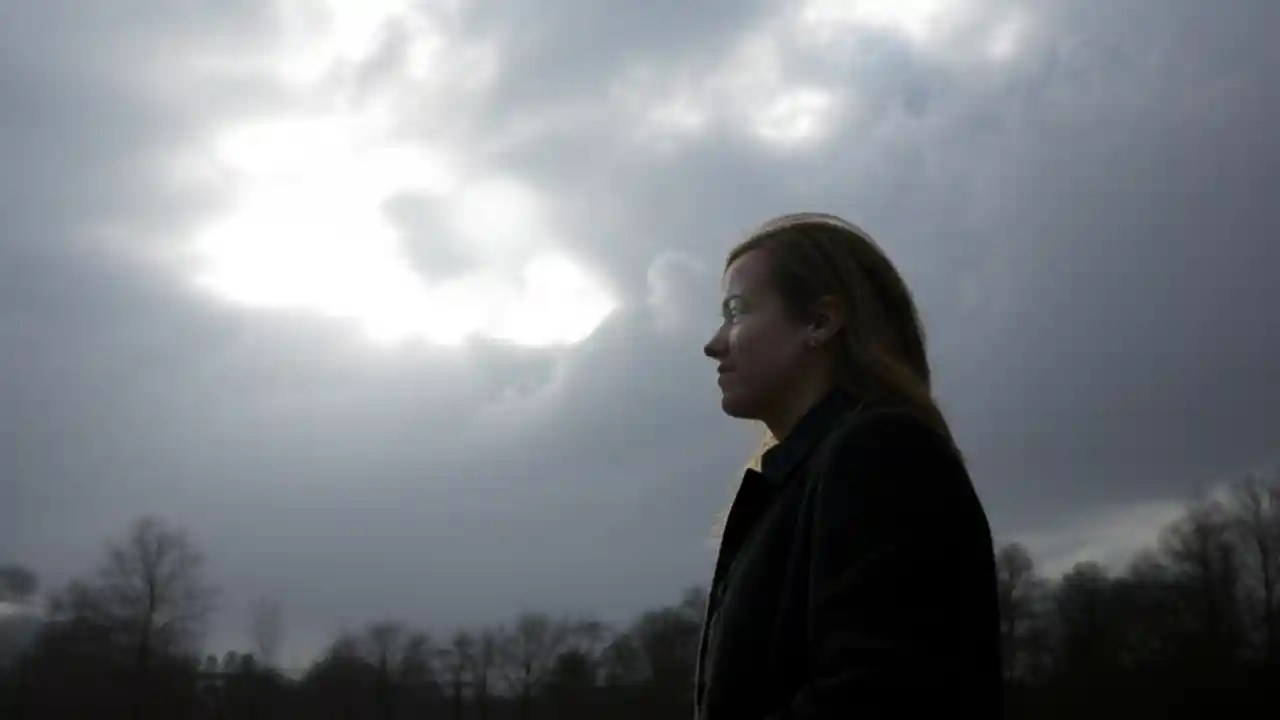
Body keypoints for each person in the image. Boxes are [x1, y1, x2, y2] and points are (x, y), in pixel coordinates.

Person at [695, 212, 1003, 718]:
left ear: (820, 322)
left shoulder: (882, 454)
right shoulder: (809, 480)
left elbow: (875, 697)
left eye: (737, 311)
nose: (714, 344)